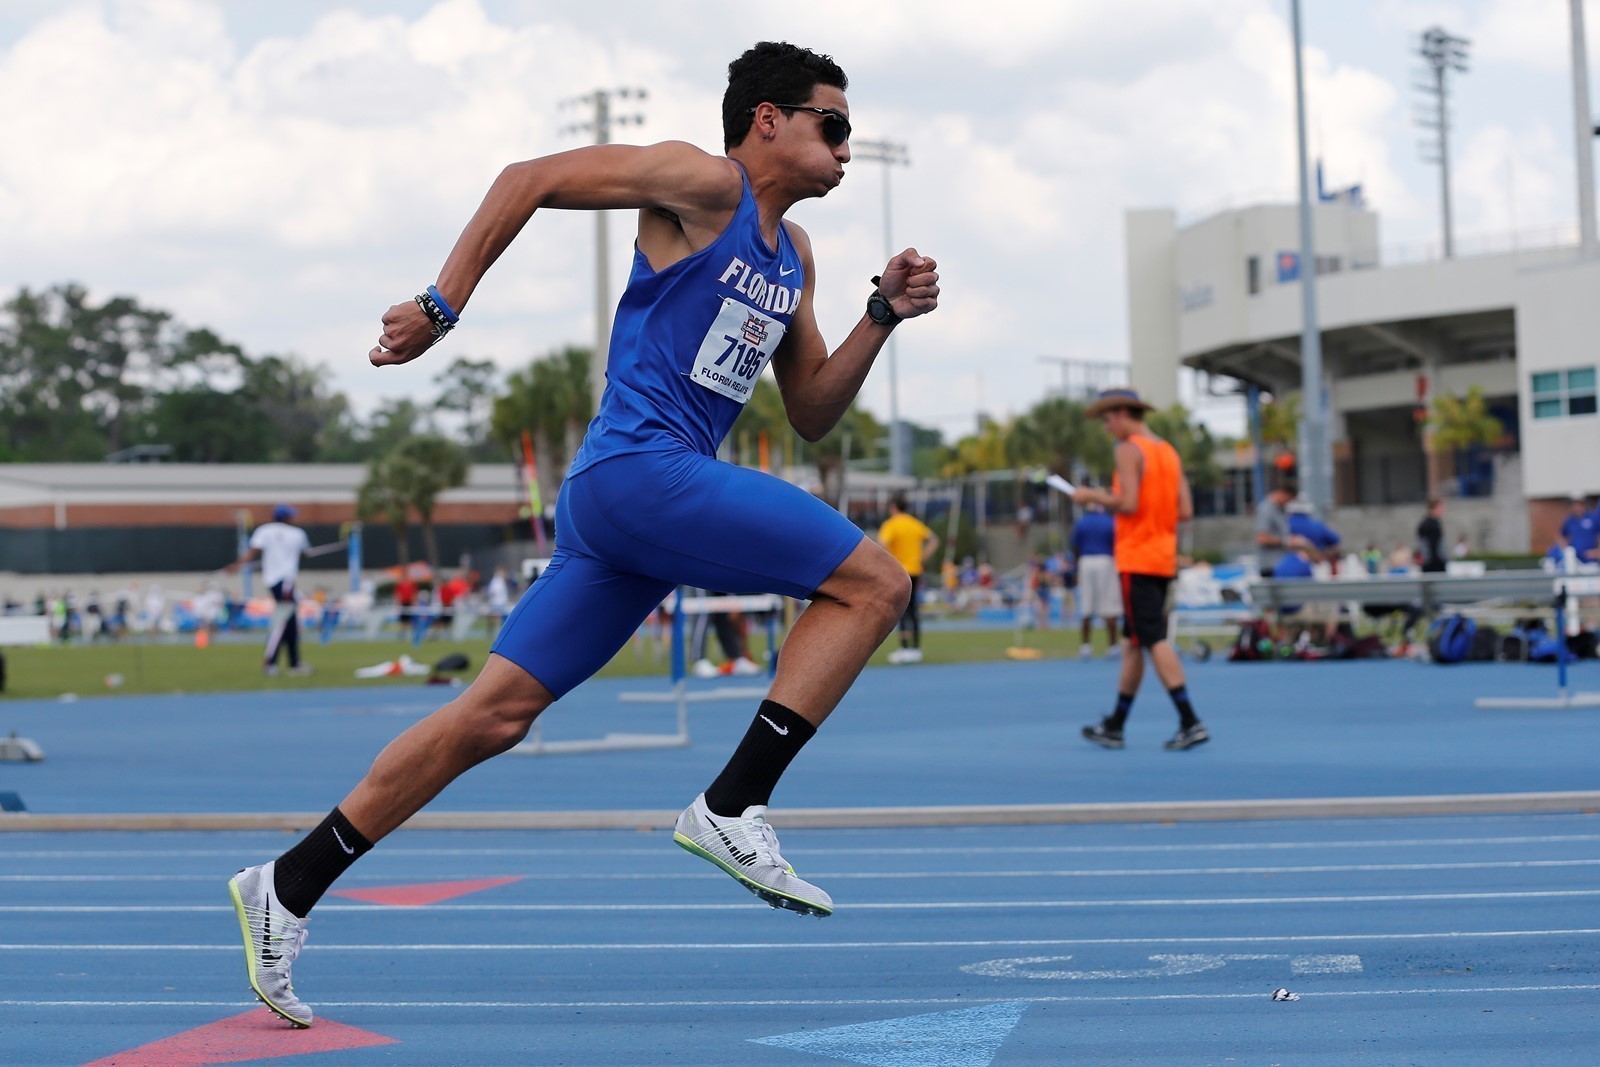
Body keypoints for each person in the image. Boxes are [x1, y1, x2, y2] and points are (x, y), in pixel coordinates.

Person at [226, 41, 940, 1029]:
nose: (848, 149)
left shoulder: (796, 256)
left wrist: (880, 315)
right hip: (641, 472)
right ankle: (733, 803)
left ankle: (290, 881)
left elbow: (812, 407)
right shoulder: (702, 184)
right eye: (834, 124)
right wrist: (442, 305)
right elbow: (529, 179)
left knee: (493, 714)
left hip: (624, 517)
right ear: (767, 119)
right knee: (875, 583)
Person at [1073, 388, 1208, 752]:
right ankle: (1116, 724)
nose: (1106, 428)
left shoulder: (1129, 449)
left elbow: (1129, 503)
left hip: (1137, 556)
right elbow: (1185, 510)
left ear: (1120, 414)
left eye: (1107, 420)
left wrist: (1093, 497)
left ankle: (1190, 720)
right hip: (1163, 555)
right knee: (1133, 643)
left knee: (1152, 638)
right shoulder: (1167, 452)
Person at [230, 505, 314, 676]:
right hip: (286, 581)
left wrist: (237, 565)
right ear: (287, 518)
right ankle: (270, 663)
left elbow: (252, 552)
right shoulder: (297, 534)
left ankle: (294, 664)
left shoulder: (264, 530)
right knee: (282, 621)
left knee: (290, 622)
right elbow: (306, 554)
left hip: (274, 581)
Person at [878, 494, 939, 664]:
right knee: (914, 610)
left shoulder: (891, 524)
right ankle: (916, 648)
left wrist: (887, 561)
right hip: (915, 569)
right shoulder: (914, 523)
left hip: (899, 571)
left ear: (893, 507)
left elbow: (882, 544)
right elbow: (934, 540)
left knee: (902, 610)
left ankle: (905, 648)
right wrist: (922, 558)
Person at [1069, 499, 1119, 659]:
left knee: (1086, 605)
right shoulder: (1111, 521)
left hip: (1086, 561)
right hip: (1106, 560)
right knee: (1110, 605)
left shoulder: (1082, 522)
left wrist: (1077, 568)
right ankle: (1113, 646)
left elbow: (1075, 546)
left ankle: (1085, 646)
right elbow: (1117, 544)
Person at [1254, 479, 1314, 576]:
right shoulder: (1266, 509)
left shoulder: (1280, 510)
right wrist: (1288, 541)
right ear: (1282, 493)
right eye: (1288, 499)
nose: (1288, 503)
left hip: (1282, 564)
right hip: (1271, 566)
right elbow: (1262, 538)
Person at [1558, 493, 1598, 564]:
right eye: (1575, 505)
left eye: (1580, 504)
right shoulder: (1570, 520)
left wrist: (1598, 551)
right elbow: (1561, 535)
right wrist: (1565, 549)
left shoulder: (1593, 518)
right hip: (1576, 560)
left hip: (1591, 560)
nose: (1577, 507)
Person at [1416, 495, 1448, 573]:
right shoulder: (1428, 525)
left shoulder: (1431, 523)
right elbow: (1428, 548)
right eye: (1441, 508)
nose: (1443, 510)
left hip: (1432, 564)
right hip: (1433, 566)